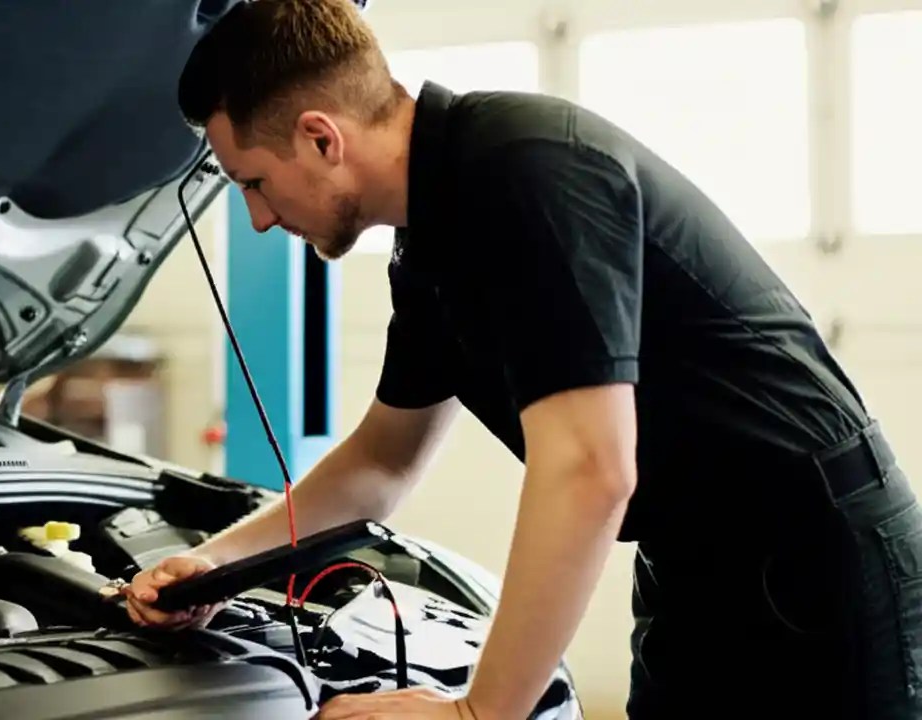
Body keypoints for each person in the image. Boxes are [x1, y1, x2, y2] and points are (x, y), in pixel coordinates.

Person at [122, 1, 922, 718]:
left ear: (321, 137)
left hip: (823, 569)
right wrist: (213, 564)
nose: (259, 219)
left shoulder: (528, 172)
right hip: (695, 570)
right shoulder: (429, 242)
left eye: (254, 183)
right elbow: (381, 462)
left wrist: (480, 714)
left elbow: (591, 469)